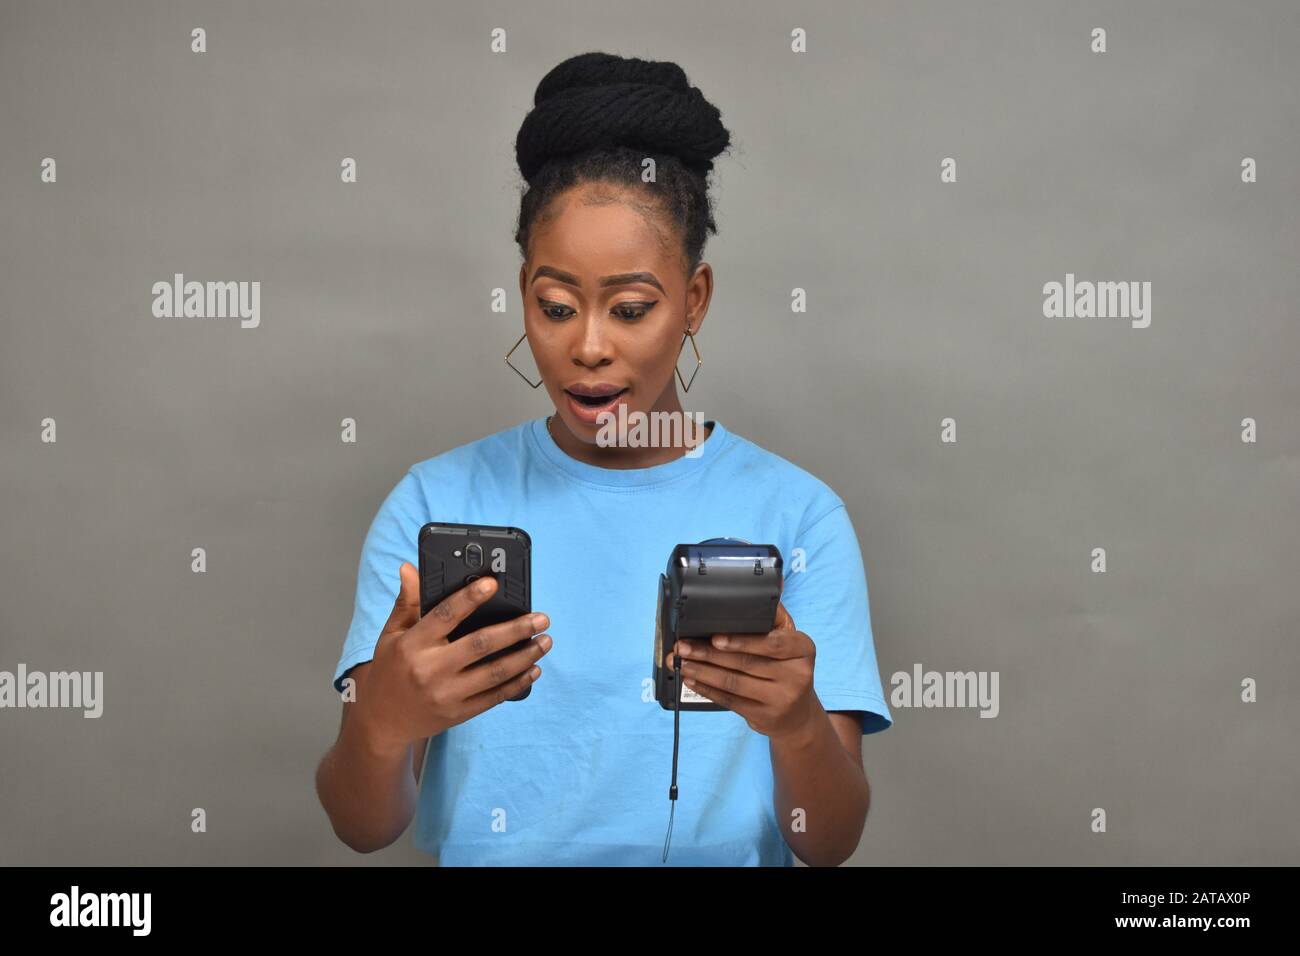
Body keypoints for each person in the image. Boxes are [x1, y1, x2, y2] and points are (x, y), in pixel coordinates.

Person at [315, 51, 892, 866]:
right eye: (556, 307)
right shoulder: (433, 503)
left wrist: (796, 724)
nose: (588, 347)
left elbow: (828, 843)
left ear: (693, 301)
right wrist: (382, 724)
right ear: (523, 295)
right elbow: (361, 826)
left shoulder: (798, 516)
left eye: (629, 309)